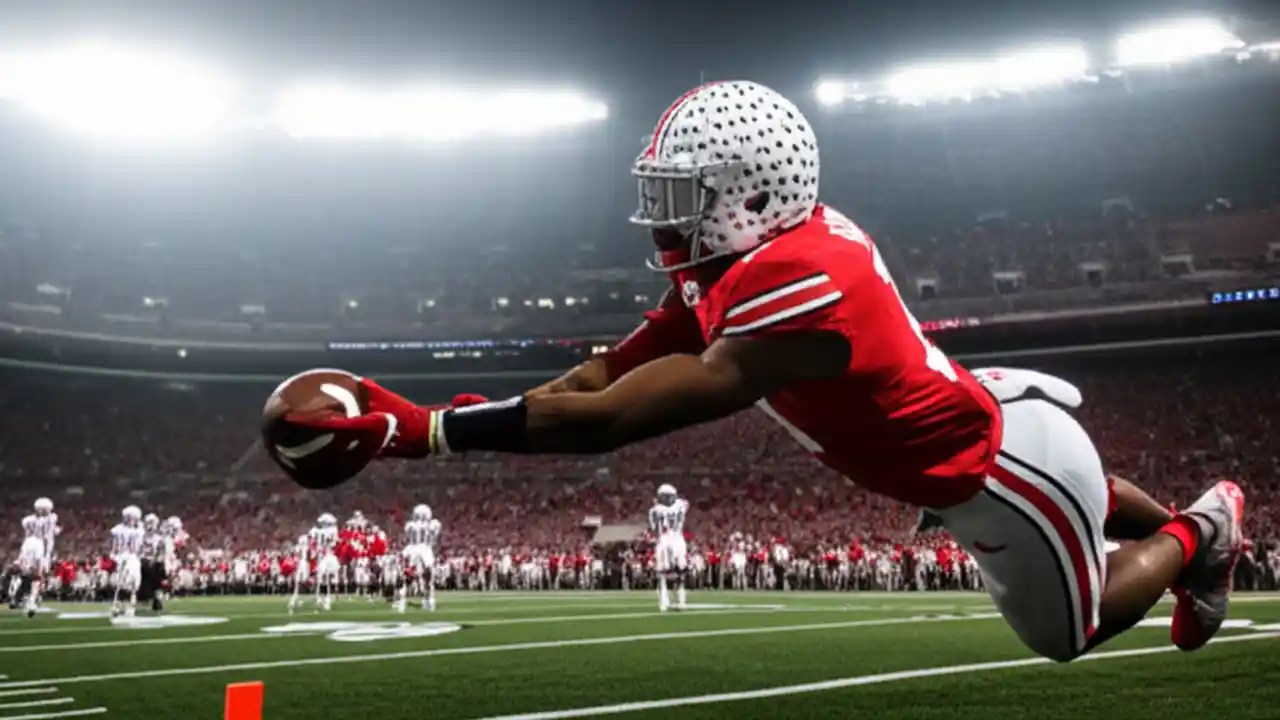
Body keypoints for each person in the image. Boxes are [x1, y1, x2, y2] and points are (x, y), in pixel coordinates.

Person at [289, 80, 1244, 662]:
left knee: (1067, 634)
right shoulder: (747, 262)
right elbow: (598, 379)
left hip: (1001, 472)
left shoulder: (797, 280)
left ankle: (1198, 533)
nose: (662, 218)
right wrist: (434, 416)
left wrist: (428, 435)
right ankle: (1195, 536)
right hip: (993, 422)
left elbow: (618, 419)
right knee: (1079, 490)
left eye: (680, 196)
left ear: (750, 194)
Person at [648, 484, 689, 611]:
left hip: (664, 541)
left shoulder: (655, 510)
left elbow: (654, 528)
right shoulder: (681, 505)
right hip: (678, 540)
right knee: (680, 572)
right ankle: (681, 600)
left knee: (662, 574)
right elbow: (685, 504)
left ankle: (664, 601)